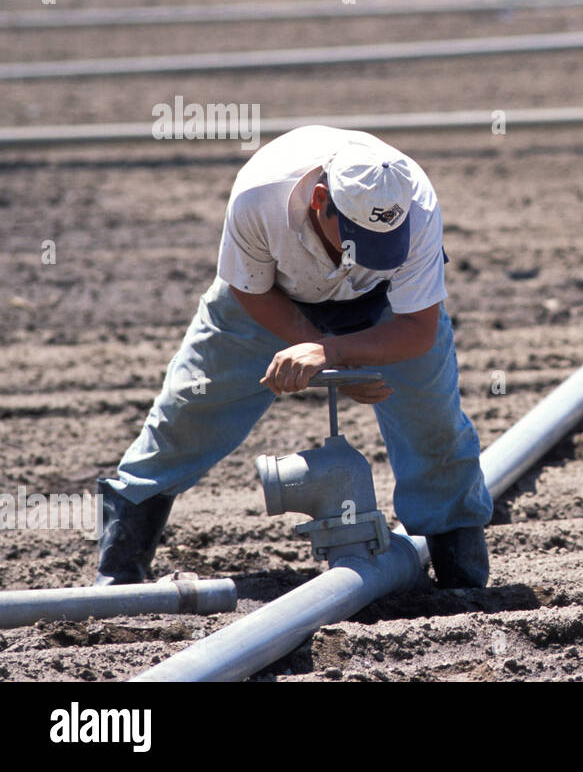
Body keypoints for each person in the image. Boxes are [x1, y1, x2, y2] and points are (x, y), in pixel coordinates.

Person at [94, 125, 494, 589]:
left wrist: (337, 357)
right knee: (189, 409)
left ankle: (461, 580)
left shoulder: (416, 205)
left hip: (382, 305)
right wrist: (326, 355)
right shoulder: (259, 196)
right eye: (356, 239)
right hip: (271, 296)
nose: (363, 255)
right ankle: (119, 569)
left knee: (435, 425)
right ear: (320, 200)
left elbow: (418, 329)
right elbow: (251, 292)